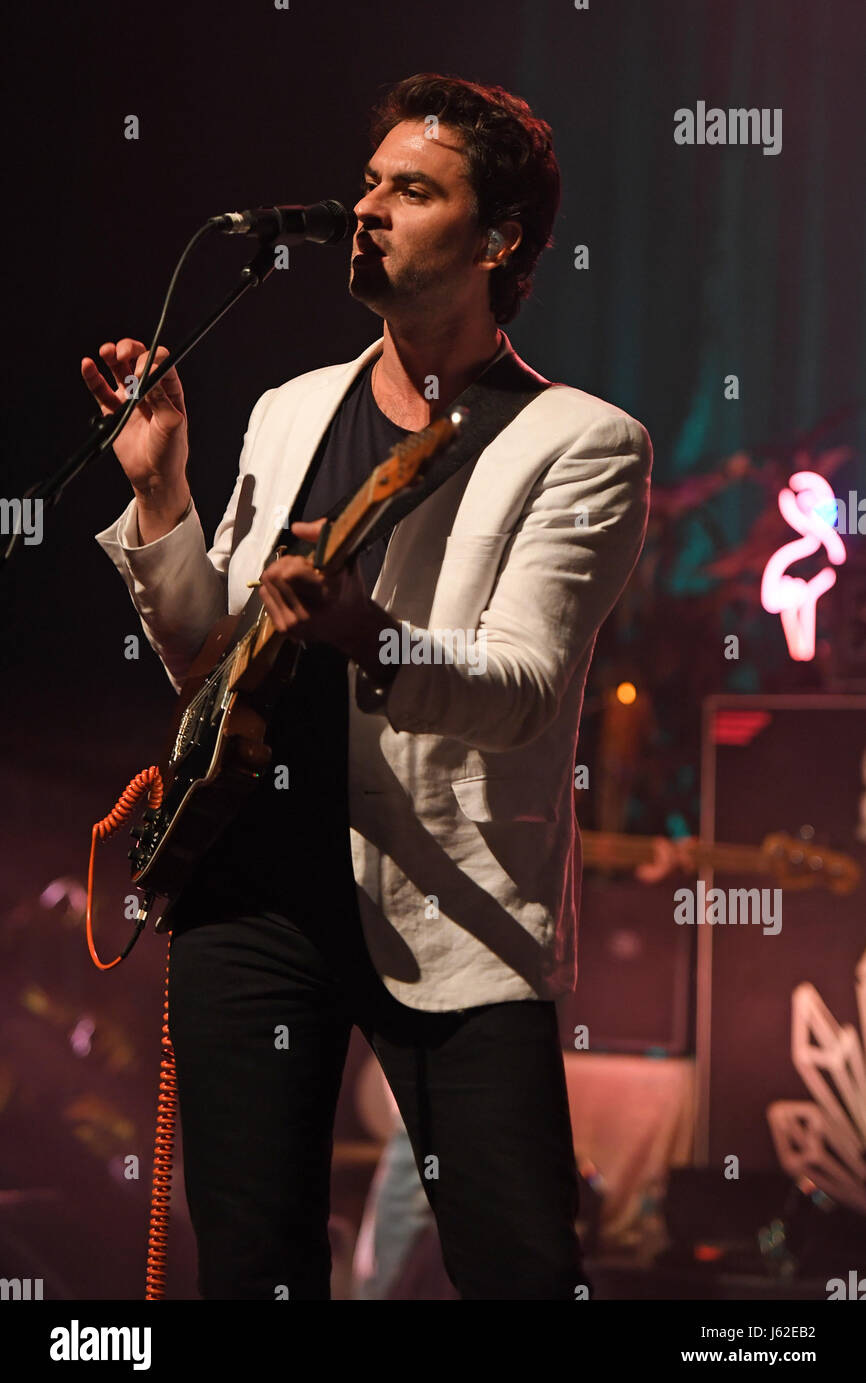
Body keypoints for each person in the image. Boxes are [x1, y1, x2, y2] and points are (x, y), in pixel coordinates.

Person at [82, 72, 652, 1300]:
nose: (366, 208)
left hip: (451, 912)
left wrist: (370, 637)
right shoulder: (292, 412)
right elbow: (207, 662)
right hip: (247, 897)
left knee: (519, 1266)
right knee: (253, 1266)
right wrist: (162, 491)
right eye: (368, 183)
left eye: (412, 188)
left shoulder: (578, 443)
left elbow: (522, 687)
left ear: (498, 240)